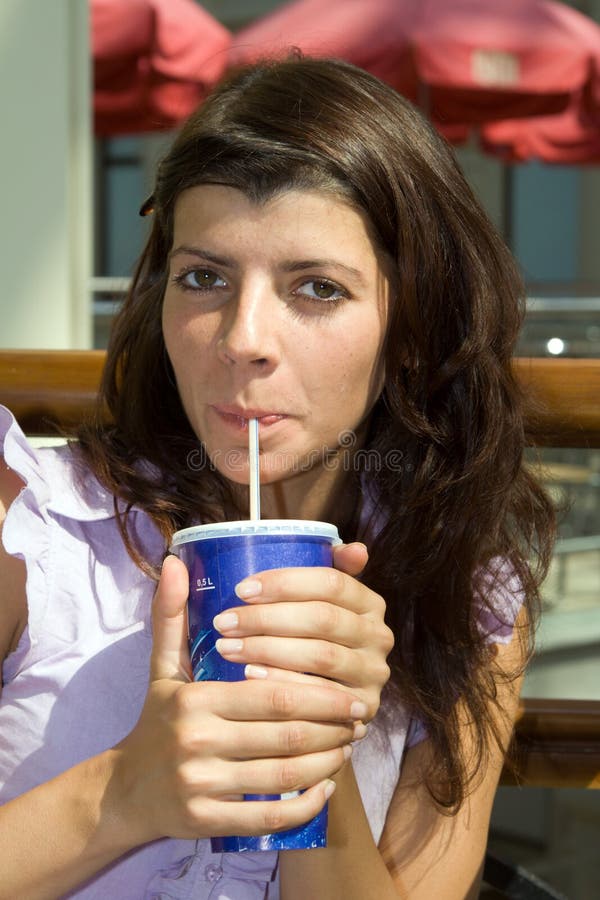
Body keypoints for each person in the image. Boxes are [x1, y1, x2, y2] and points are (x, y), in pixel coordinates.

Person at [0, 56, 555, 899]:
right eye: (204, 278)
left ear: (408, 328)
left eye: (317, 289)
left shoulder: (466, 598)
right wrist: (122, 794)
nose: (241, 338)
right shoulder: (31, 525)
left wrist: (308, 741)